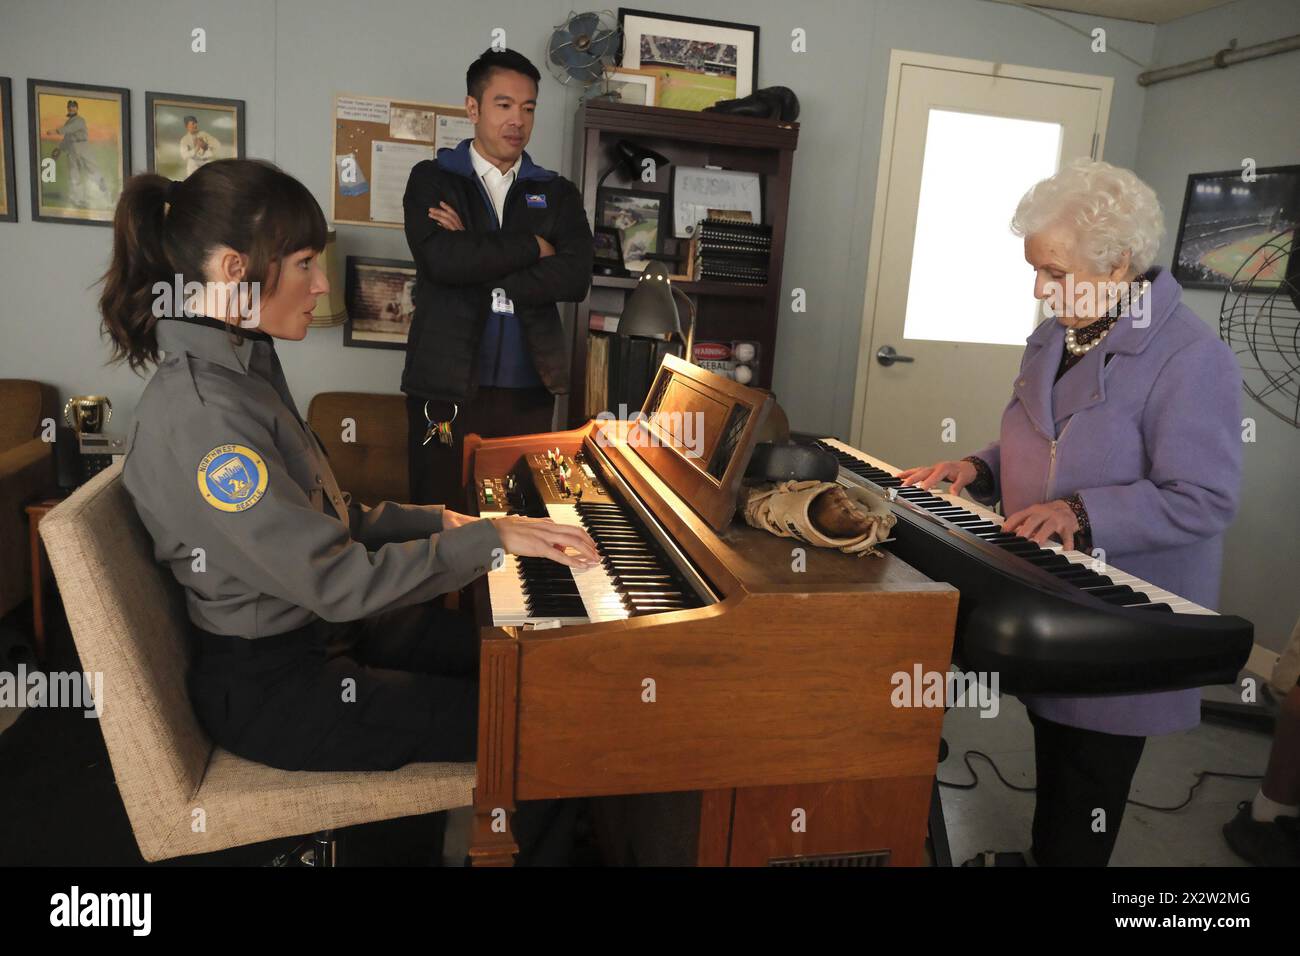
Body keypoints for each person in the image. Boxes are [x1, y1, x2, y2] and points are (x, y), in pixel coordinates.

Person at [99, 158, 599, 863]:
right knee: (547, 726)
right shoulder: (207, 417)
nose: (322, 284)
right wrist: (488, 541)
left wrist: (445, 523)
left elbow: (330, 521)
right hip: (279, 687)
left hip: (323, 638)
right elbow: (334, 582)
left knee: (537, 671)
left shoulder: (243, 369)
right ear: (233, 269)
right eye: (304, 262)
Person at [899, 158, 1243, 867]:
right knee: (1056, 761)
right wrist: (979, 468)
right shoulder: (1062, 333)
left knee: (1085, 786)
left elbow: (1205, 498)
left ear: (1118, 264)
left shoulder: (1190, 358)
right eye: (1036, 270)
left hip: (1122, 617)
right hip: (1052, 595)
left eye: (1053, 272)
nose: (1038, 289)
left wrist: (1079, 514)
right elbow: (1041, 433)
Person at [402, 48, 593, 508]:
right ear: (474, 108)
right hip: (443, 382)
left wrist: (476, 253)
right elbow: (442, 263)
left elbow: (575, 278)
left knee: (517, 514)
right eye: (504, 105)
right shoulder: (434, 179)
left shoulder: (556, 191)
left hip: (529, 385)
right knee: (440, 508)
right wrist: (531, 248)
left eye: (528, 108)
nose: (518, 121)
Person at [46, 99, 108, 207]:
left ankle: (105, 193)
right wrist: (59, 149)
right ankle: (79, 200)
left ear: (77, 108)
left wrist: (56, 131)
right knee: (74, 174)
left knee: (92, 170)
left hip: (82, 146)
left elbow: (70, 129)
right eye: (70, 106)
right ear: (68, 108)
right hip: (72, 148)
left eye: (73, 106)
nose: (71, 108)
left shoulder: (79, 120)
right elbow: (67, 138)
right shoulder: (69, 121)